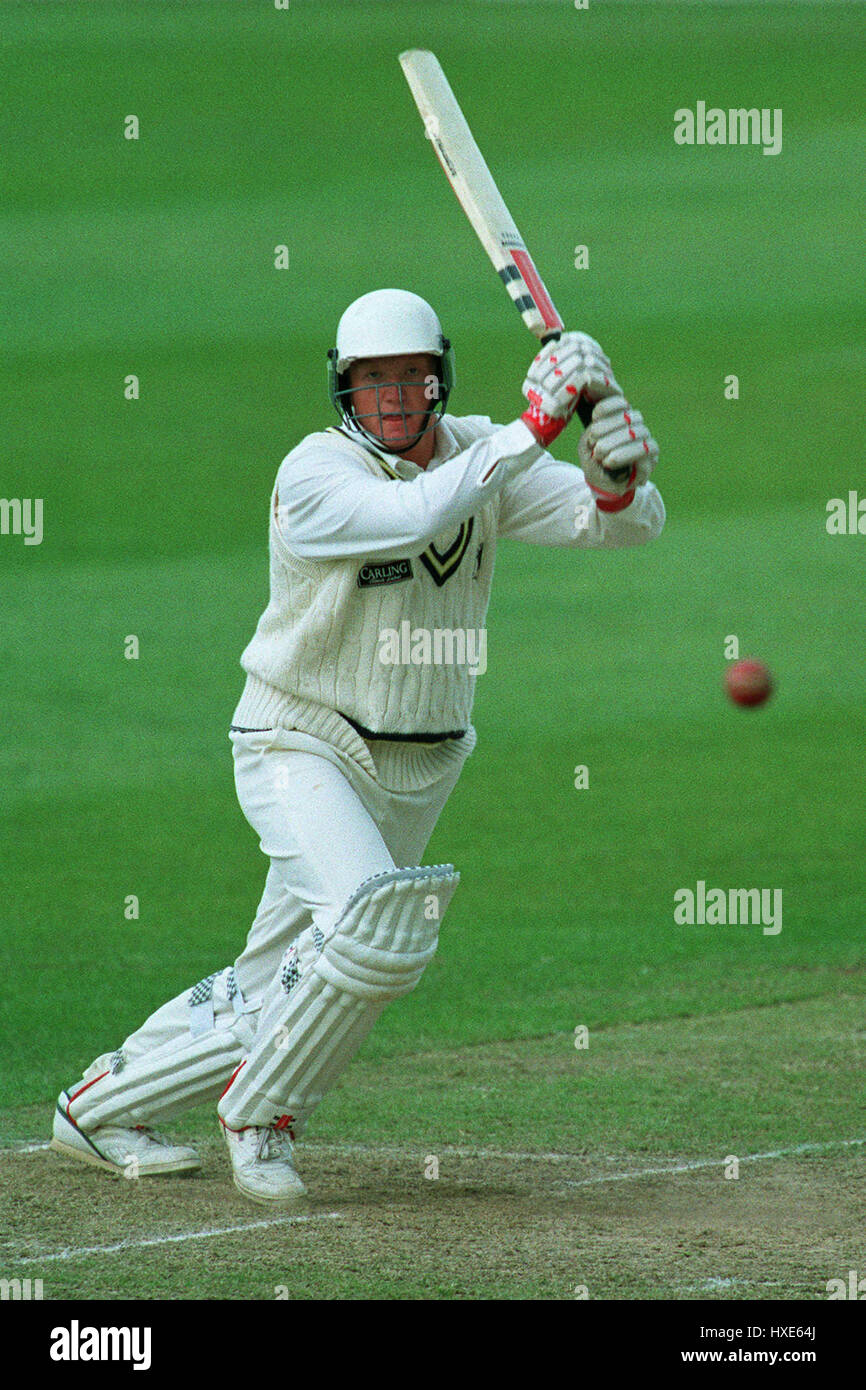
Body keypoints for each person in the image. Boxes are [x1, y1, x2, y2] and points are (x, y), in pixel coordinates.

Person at [51, 288, 664, 1203]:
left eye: (410, 377)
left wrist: (614, 471)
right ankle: (259, 1114)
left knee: (283, 977)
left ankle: (98, 1105)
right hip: (301, 740)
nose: (392, 398)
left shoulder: (479, 455)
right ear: (343, 391)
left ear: (438, 379)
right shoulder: (313, 476)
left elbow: (626, 525)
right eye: (370, 381)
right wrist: (535, 426)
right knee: (375, 935)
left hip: (423, 758)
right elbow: (413, 516)